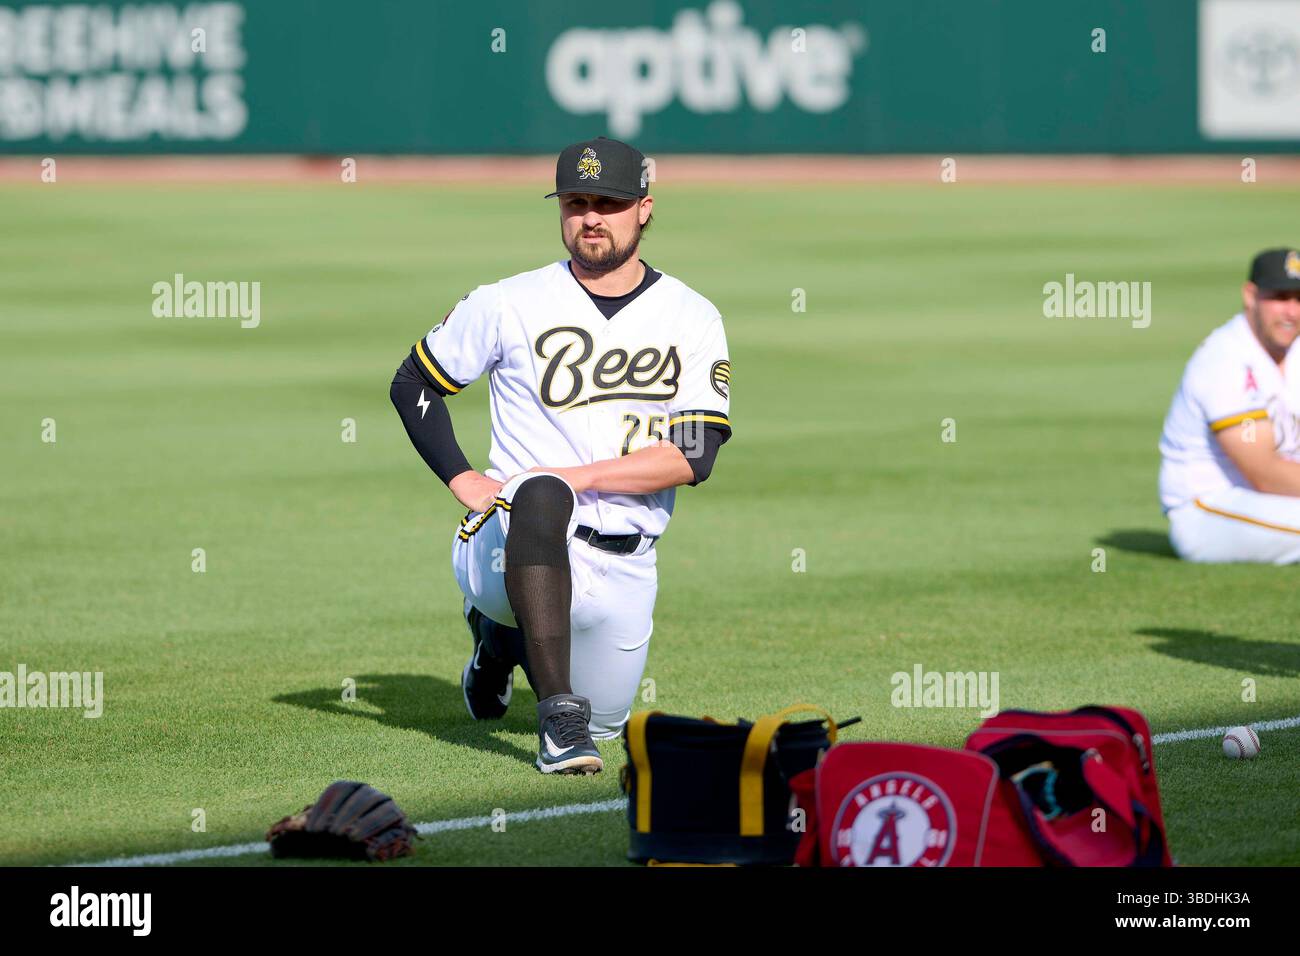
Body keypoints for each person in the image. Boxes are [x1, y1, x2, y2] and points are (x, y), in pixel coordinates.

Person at [390, 137, 733, 773]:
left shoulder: (691, 316)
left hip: (625, 560)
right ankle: (556, 719)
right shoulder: (507, 302)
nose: (592, 217)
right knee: (542, 495)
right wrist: (460, 476)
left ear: (645, 208)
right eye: (576, 203)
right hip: (508, 537)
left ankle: (498, 644)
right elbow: (413, 385)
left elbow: (695, 455)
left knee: (610, 723)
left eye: (609, 202)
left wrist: (579, 477)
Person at [1158, 248, 1300, 563]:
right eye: (1279, 297)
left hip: (1275, 500)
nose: (1292, 311)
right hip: (1208, 511)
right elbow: (1264, 472)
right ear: (1250, 295)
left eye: (1299, 299)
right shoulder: (1226, 359)